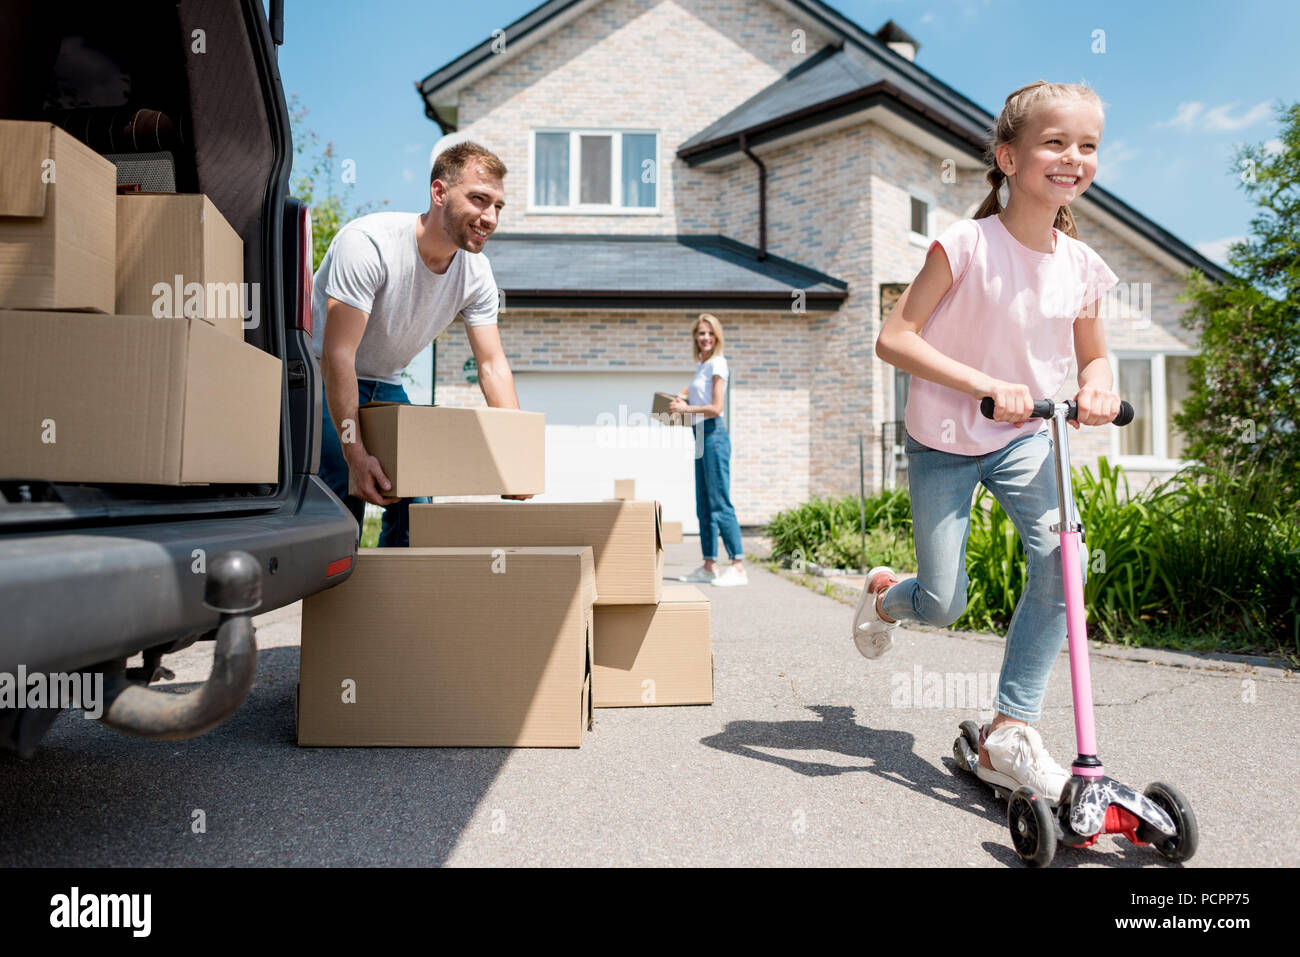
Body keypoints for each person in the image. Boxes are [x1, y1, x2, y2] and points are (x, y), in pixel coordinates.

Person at [857, 81, 1121, 802]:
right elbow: (894, 337)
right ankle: (886, 598)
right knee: (943, 601)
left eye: (1088, 145)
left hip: (1028, 438)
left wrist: (1095, 385)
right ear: (1008, 156)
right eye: (1055, 141)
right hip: (943, 436)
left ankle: (1010, 727)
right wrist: (983, 382)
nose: (1074, 156)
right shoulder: (965, 243)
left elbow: (1094, 355)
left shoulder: (1084, 267)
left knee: (1064, 554)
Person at [314, 141, 531, 547]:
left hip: (386, 381)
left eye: (498, 206)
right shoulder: (369, 244)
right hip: (320, 372)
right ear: (439, 192)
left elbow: (492, 364)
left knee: (416, 499)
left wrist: (516, 456)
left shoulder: (477, 273)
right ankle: (338, 604)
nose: (490, 217)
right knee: (344, 489)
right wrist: (356, 454)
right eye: (479, 200)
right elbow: (337, 354)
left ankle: (396, 603)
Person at [670, 314, 747, 587]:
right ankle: (708, 565)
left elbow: (716, 407)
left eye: (709, 333)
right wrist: (680, 397)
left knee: (719, 503)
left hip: (714, 434)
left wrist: (684, 408)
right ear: (695, 337)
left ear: (717, 337)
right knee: (703, 503)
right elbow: (689, 391)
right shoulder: (701, 366)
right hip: (699, 435)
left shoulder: (718, 364)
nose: (705, 338)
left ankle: (738, 566)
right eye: (701, 333)